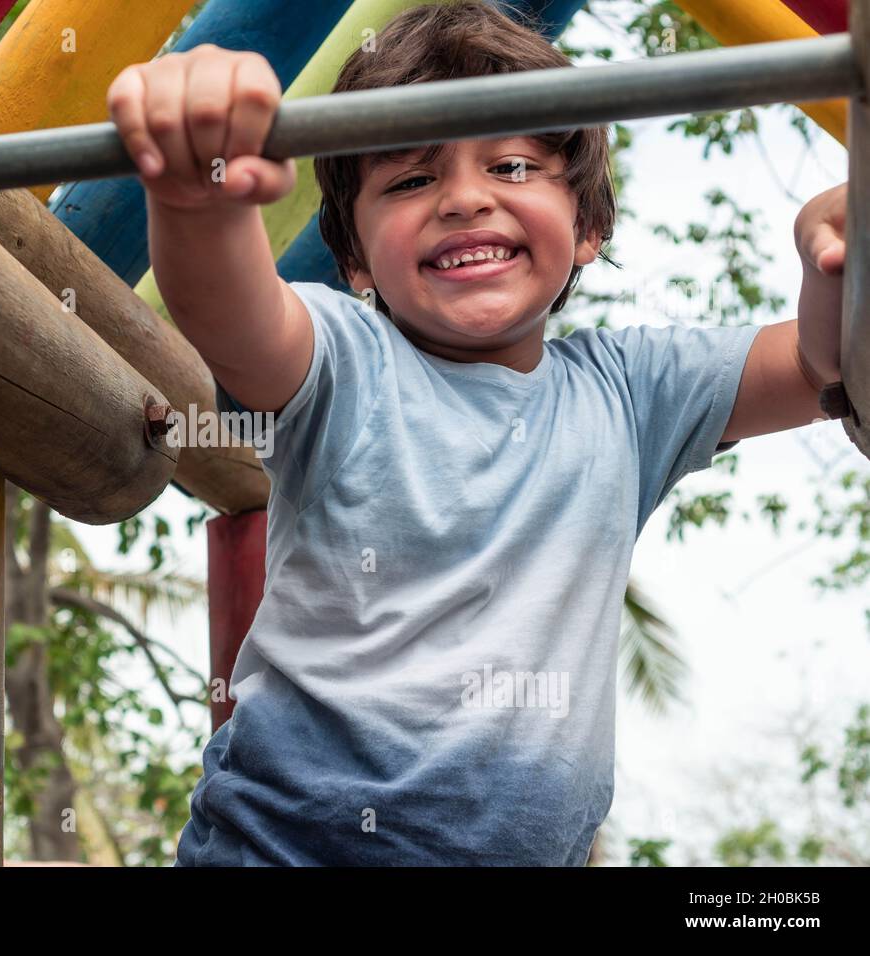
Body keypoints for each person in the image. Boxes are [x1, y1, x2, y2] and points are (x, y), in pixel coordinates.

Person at [105, 1, 846, 864]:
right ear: (351, 258)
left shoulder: (631, 395)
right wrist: (199, 195)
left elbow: (822, 365)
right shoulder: (348, 359)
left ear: (589, 228)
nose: (464, 198)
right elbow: (227, 315)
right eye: (411, 180)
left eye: (513, 164)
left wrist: (834, 253)